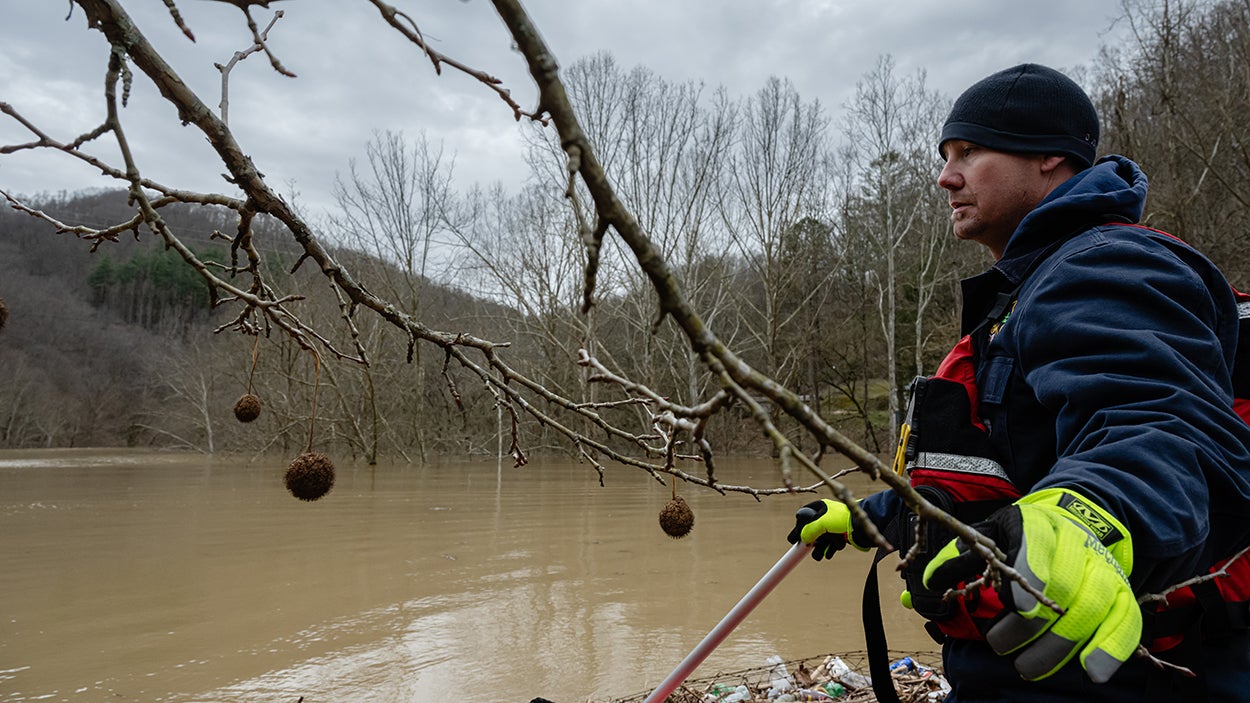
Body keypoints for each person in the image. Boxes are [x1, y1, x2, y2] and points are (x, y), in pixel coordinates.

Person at [788, 63, 1250, 702]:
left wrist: (1090, 514)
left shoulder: (1105, 263)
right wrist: (867, 516)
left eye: (970, 152)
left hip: (1108, 675)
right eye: (946, 155)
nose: (945, 176)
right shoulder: (1021, 297)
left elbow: (1160, 417)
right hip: (1015, 668)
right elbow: (989, 474)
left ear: (1048, 156)